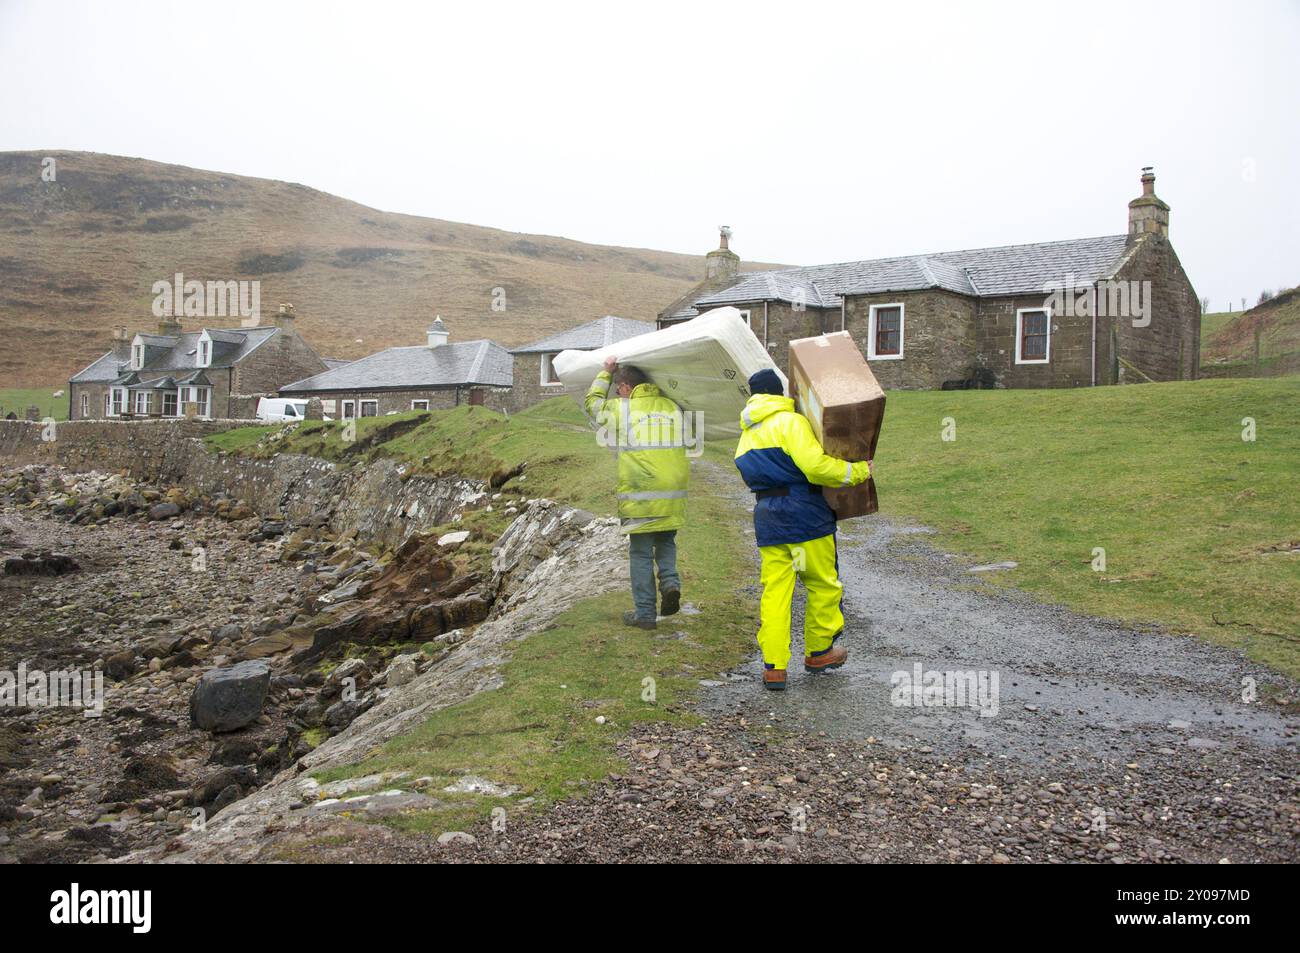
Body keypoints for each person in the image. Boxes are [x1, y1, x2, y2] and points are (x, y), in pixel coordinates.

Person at [733, 368, 872, 691]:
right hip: (805, 515)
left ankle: (774, 667)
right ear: (780, 392)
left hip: (768, 518)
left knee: (775, 593)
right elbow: (815, 467)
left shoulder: (745, 436)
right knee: (822, 584)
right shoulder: (791, 422)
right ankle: (820, 652)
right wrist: (857, 472)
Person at [584, 355, 689, 629]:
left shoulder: (623, 409)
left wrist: (605, 374)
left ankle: (644, 614)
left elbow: (592, 405)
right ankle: (670, 583)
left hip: (642, 492)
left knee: (641, 551)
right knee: (666, 541)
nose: (618, 393)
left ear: (627, 387)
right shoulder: (671, 406)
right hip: (673, 491)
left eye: (618, 388)